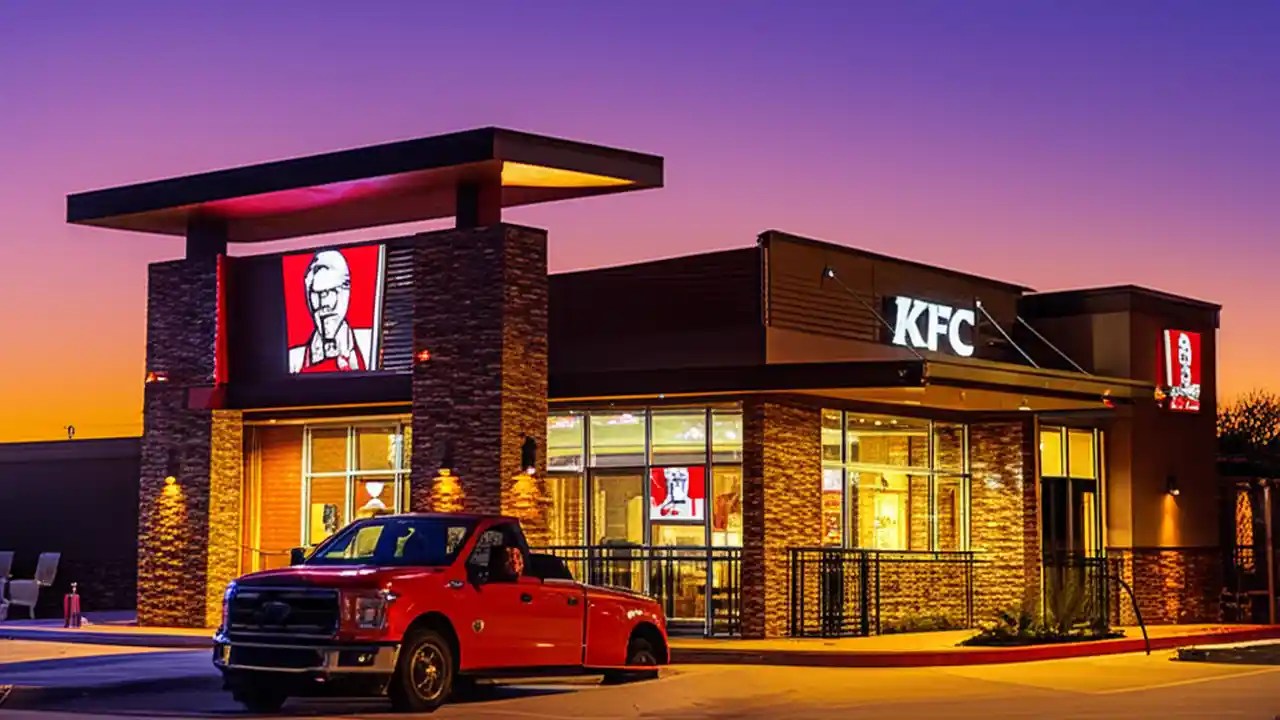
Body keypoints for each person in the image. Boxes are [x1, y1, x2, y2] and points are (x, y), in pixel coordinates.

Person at [288, 250, 373, 373]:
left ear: (346, 293)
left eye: (329, 292)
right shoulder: (292, 361)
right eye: (316, 294)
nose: (324, 304)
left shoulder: (372, 345)